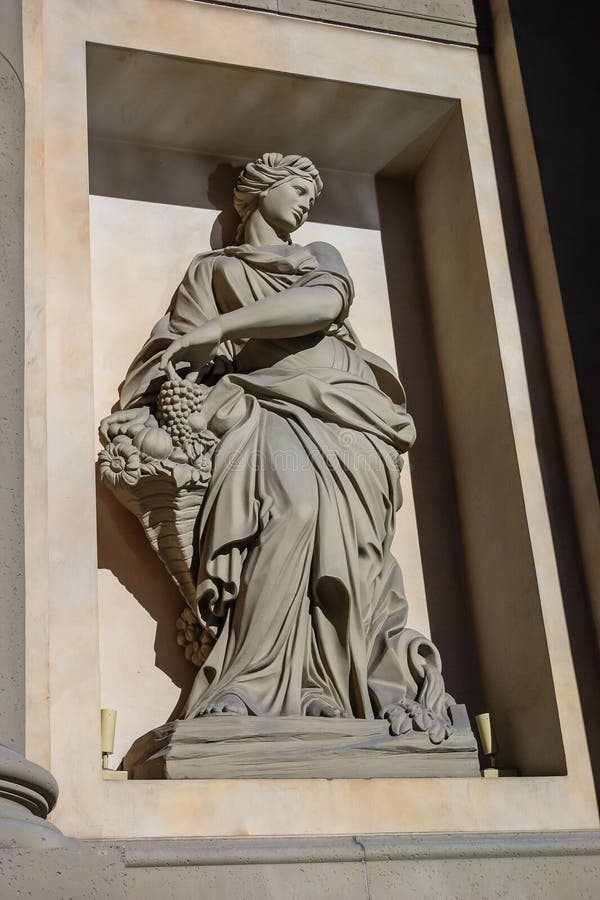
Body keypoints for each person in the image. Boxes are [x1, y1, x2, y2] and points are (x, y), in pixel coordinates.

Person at [102, 153, 454, 741]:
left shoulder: (320, 258)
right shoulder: (209, 271)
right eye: (297, 188)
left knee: (358, 548)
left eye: (312, 194)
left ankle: (335, 689)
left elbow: (325, 304)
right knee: (292, 513)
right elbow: (170, 361)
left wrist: (221, 329)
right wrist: (185, 370)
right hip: (262, 408)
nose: (306, 202)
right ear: (260, 190)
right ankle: (254, 683)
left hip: (346, 411)